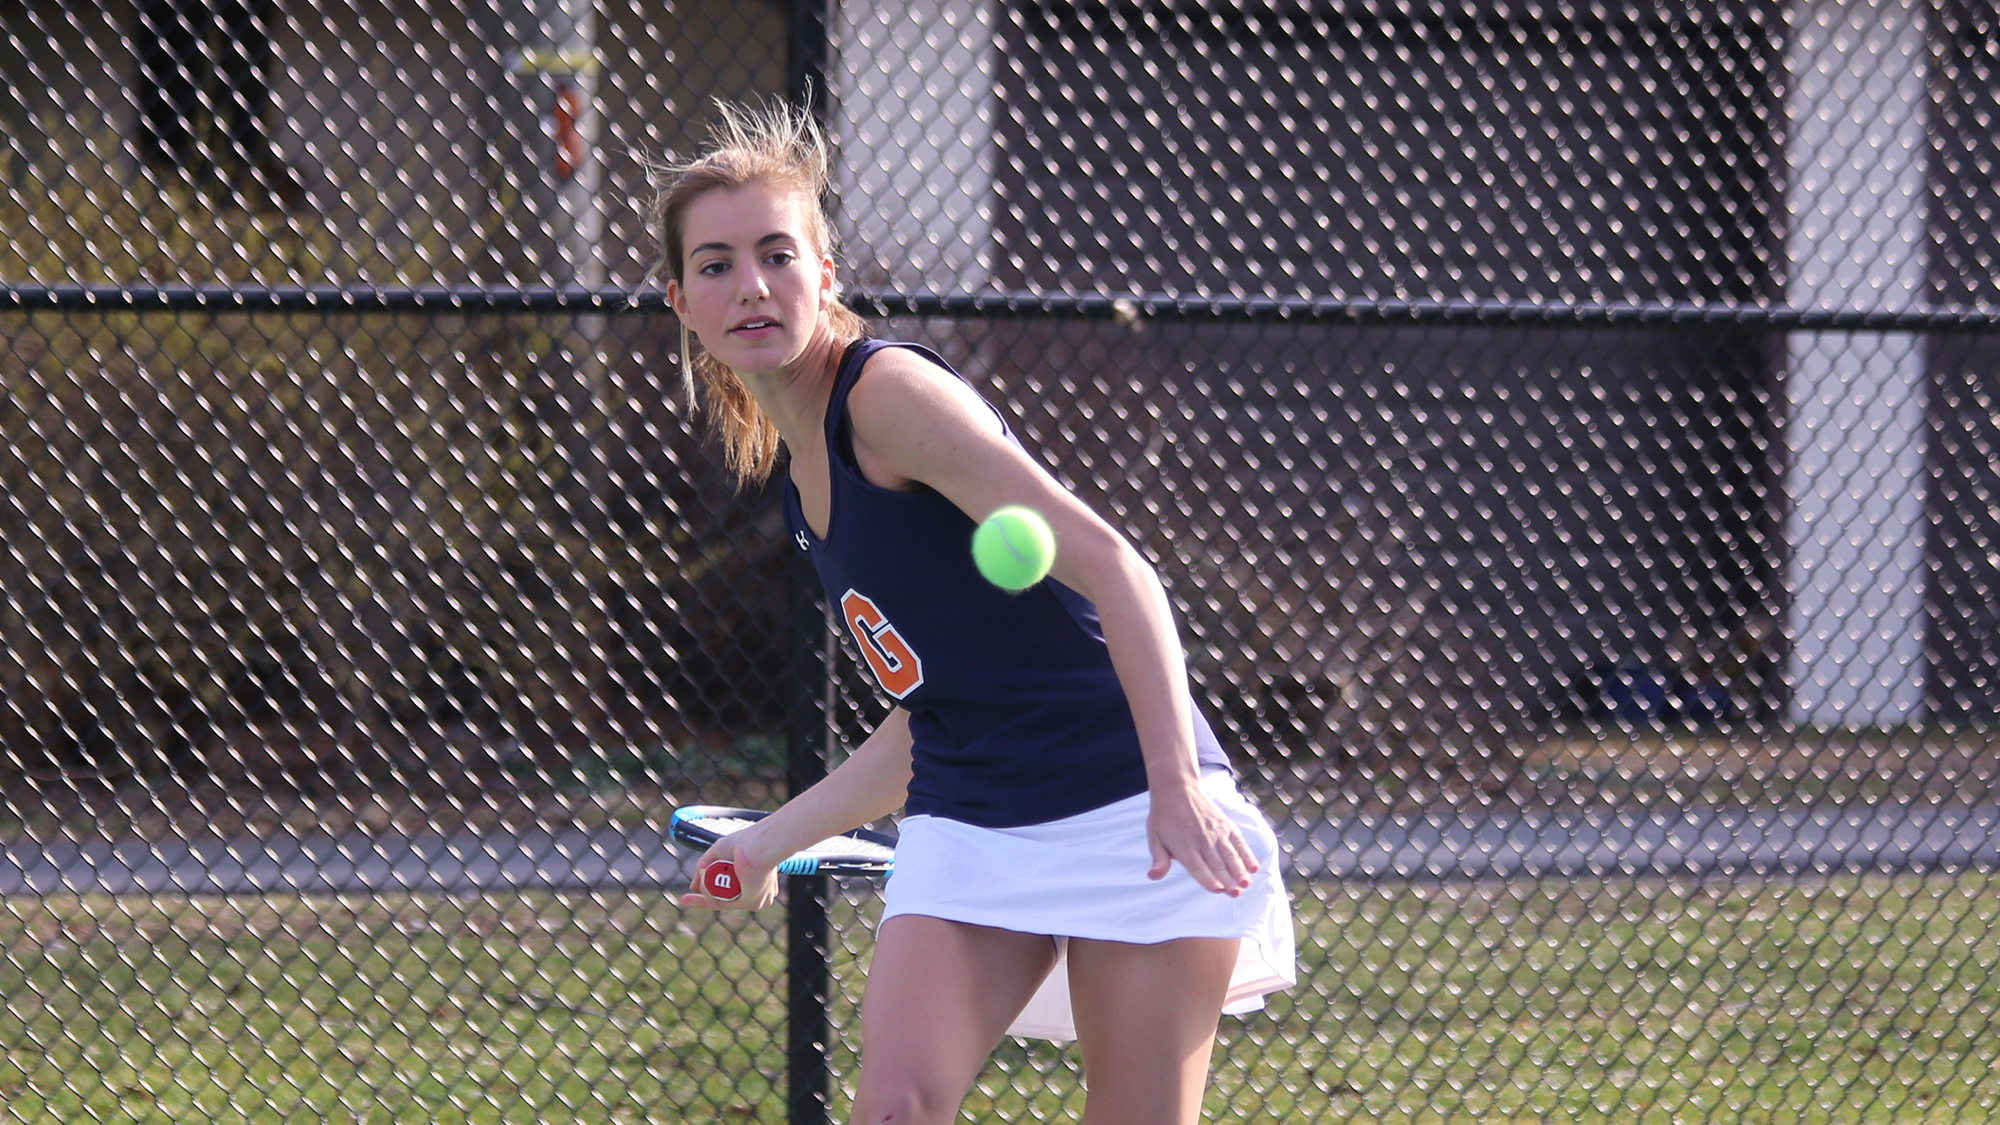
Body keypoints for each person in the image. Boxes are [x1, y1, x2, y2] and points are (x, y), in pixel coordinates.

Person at [654, 101, 1295, 1125]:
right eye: (719, 263)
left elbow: (1116, 566)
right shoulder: (798, 472)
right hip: (971, 816)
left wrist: (1176, 788)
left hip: (1129, 804)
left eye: (778, 253)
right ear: (682, 298)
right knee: (893, 1109)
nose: (753, 284)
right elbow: (934, 716)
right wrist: (767, 841)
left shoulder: (886, 399)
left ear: (823, 276)